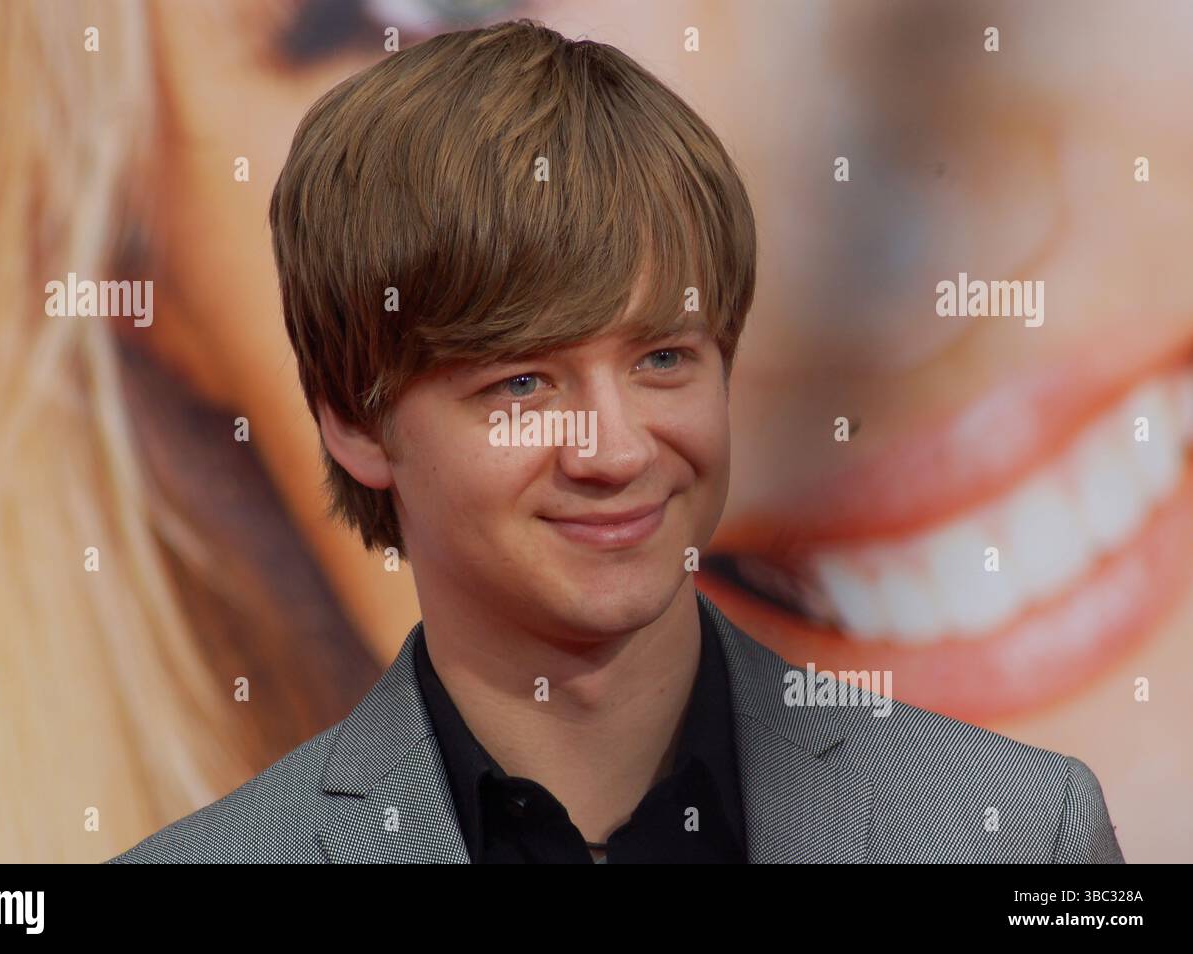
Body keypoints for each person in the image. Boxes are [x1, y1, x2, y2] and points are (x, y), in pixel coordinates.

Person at [109, 19, 1123, 864]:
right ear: (355, 424)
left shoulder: (1018, 836)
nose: (615, 450)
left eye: (662, 362)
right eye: (521, 380)